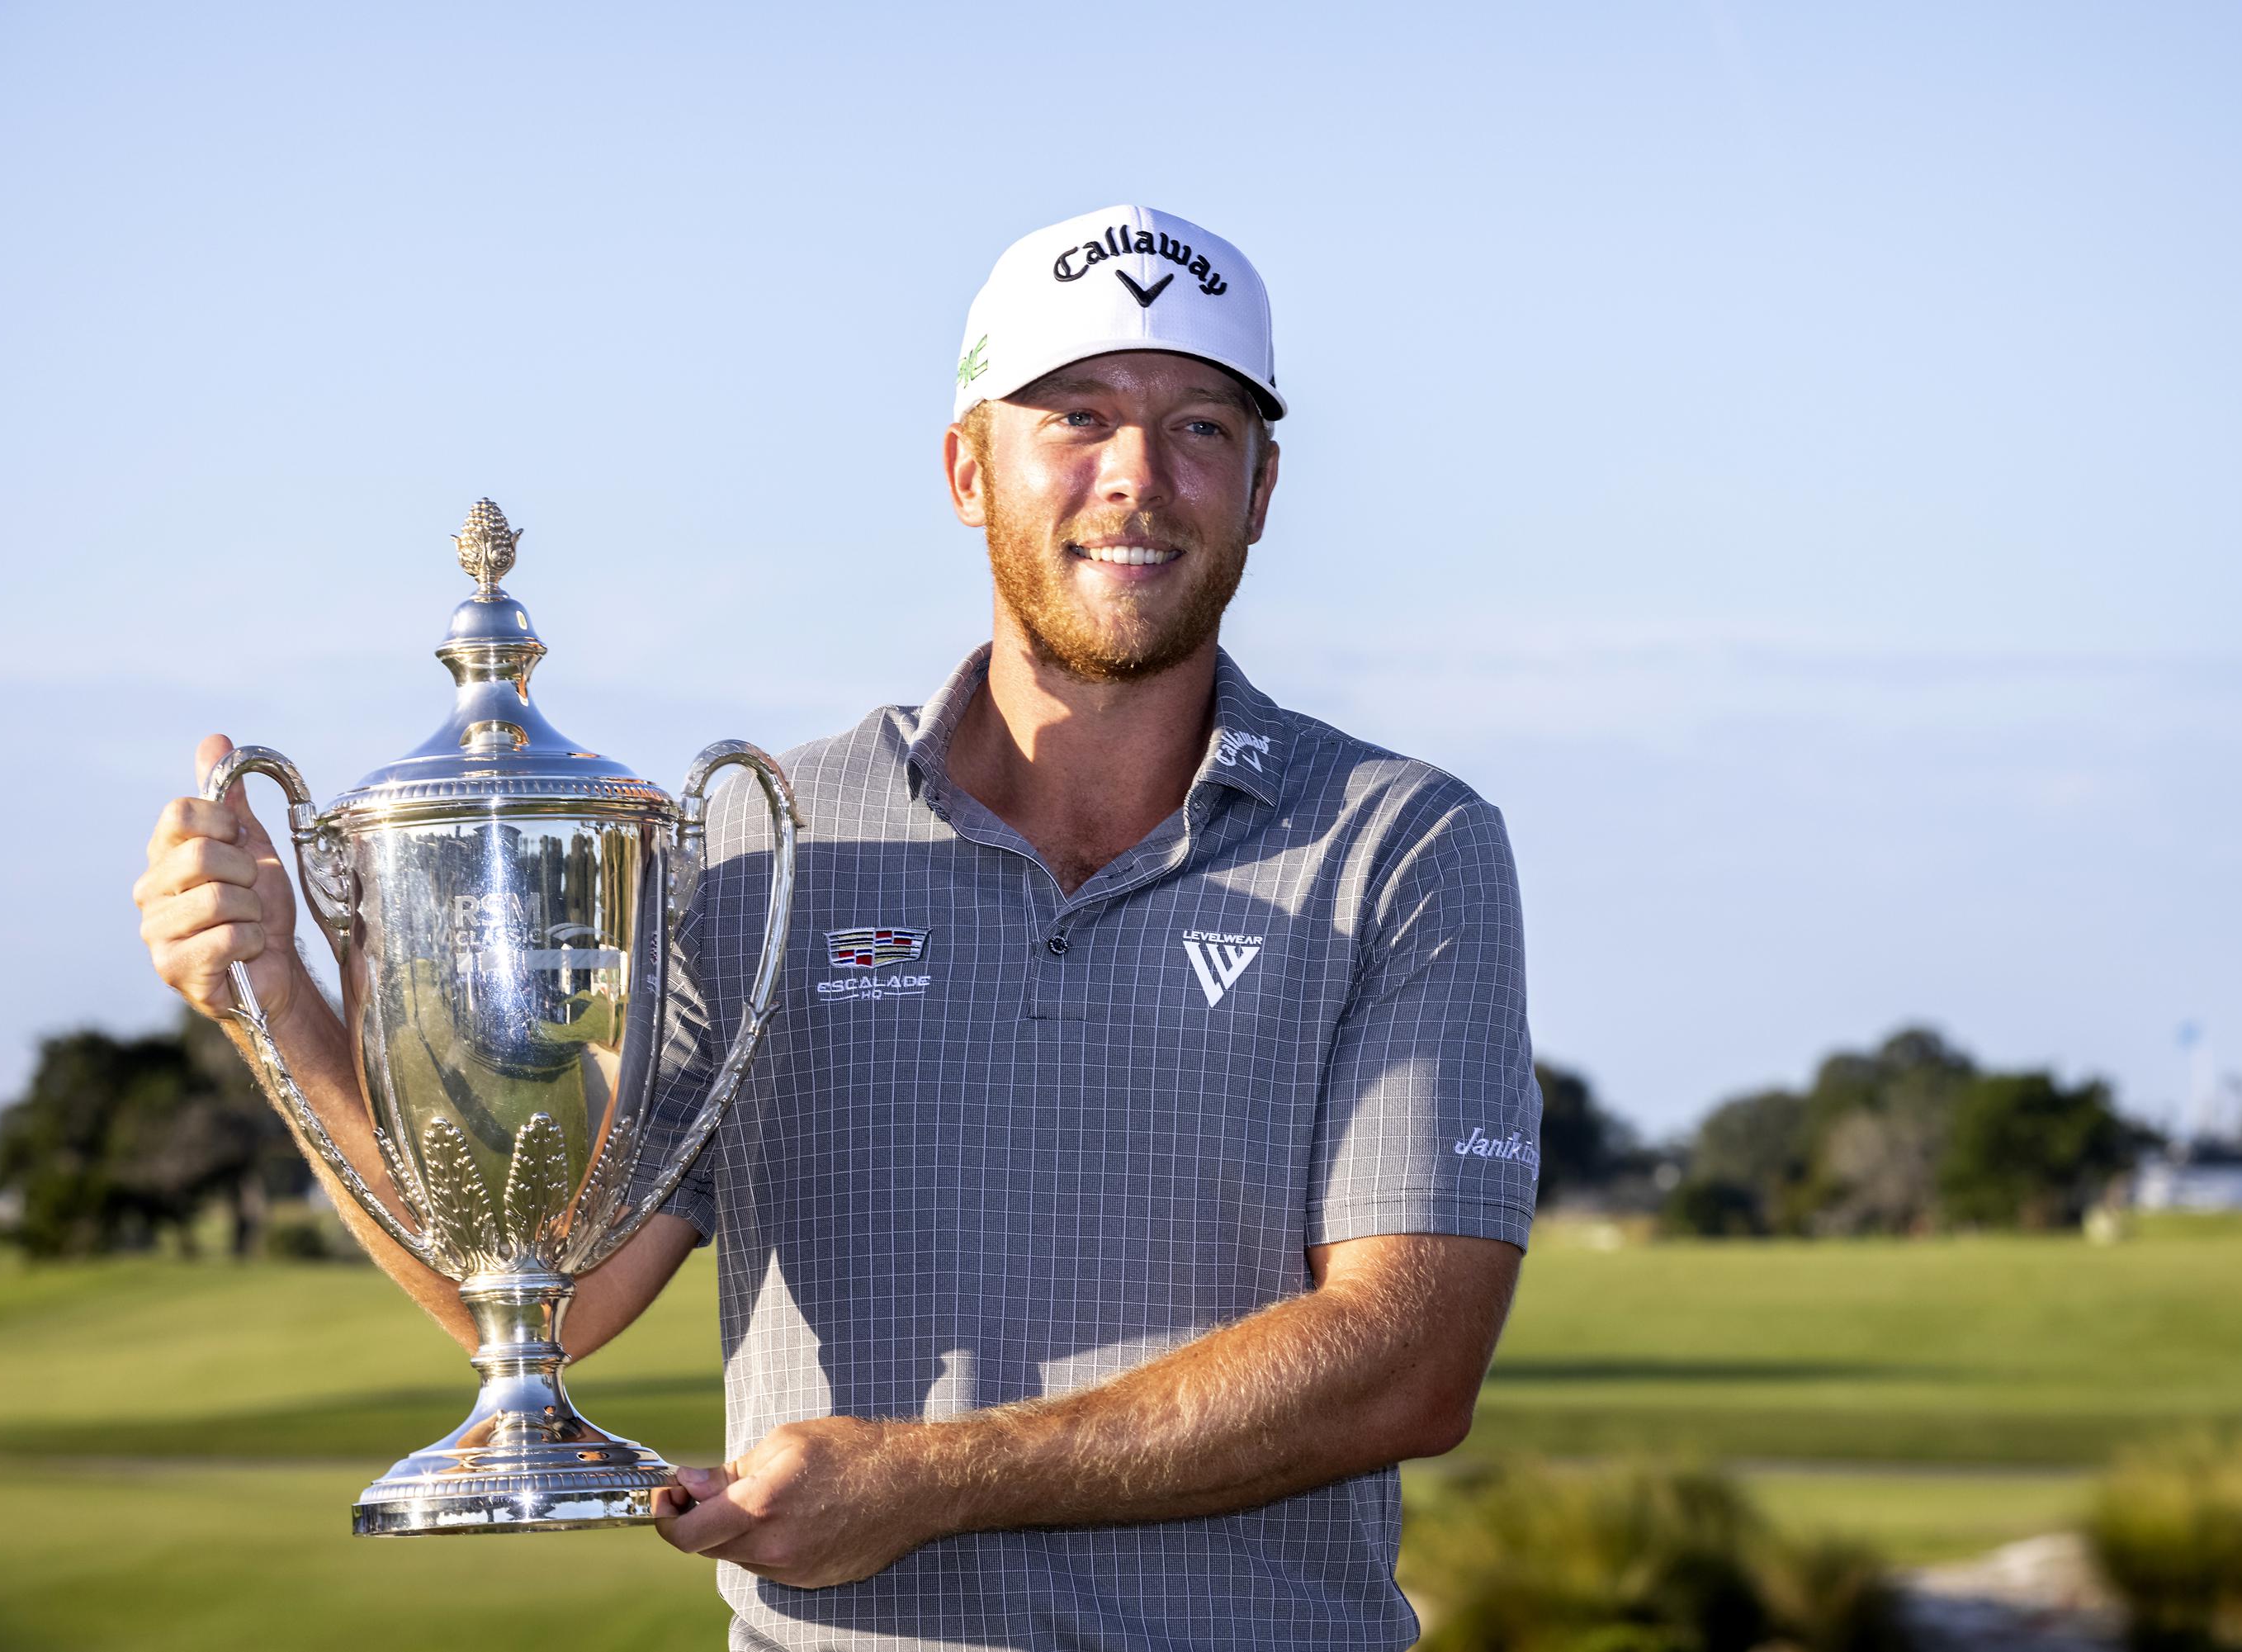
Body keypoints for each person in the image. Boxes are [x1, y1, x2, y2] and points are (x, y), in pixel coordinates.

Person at [135, 204, 1543, 1650]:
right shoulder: (769, 834)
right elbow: (544, 1277)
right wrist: (275, 997)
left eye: (1199, 426)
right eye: (1075, 415)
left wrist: (928, 1483)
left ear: (1260, 489)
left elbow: (1408, 1361)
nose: (1138, 475)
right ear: (964, 469)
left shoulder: (1400, 842)